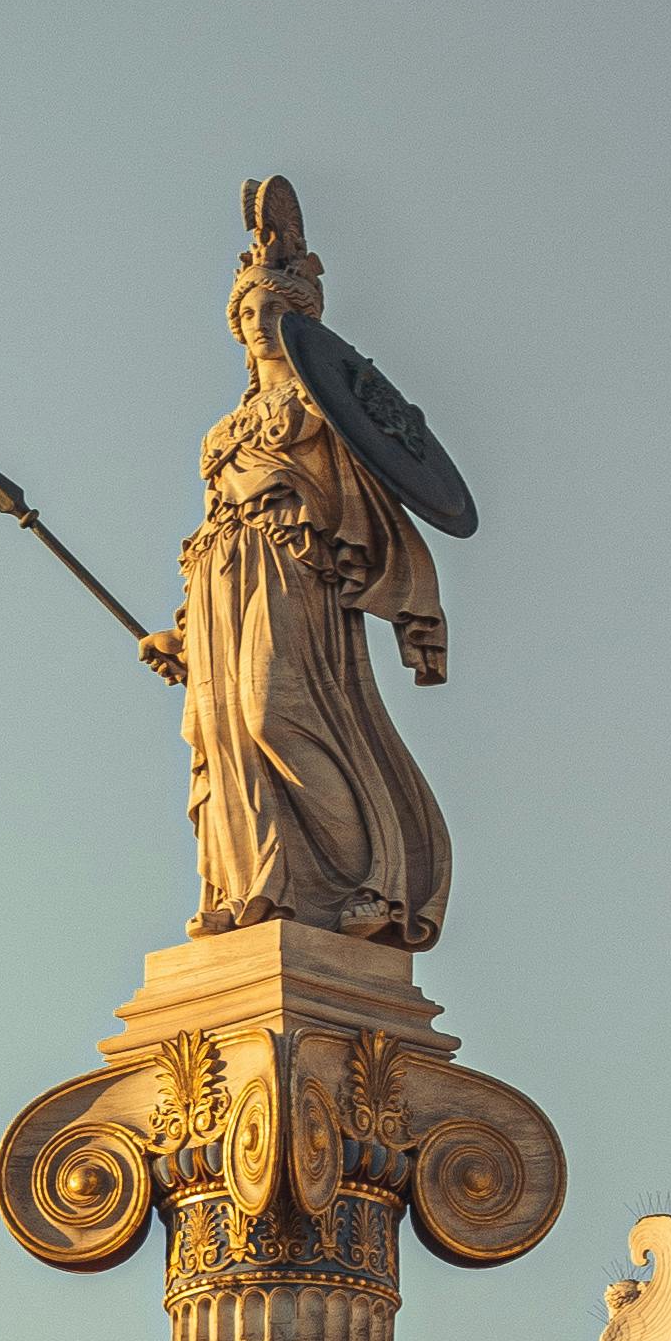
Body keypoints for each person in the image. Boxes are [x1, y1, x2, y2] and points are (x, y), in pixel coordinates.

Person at [149, 178, 451, 952]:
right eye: (248, 312)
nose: (260, 324)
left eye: (278, 311)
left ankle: (368, 881)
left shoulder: (322, 409)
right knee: (227, 734)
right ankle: (255, 889)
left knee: (273, 713)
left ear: (305, 322)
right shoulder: (224, 431)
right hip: (225, 575)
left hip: (294, 566)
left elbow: (373, 492)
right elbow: (212, 524)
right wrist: (181, 632)